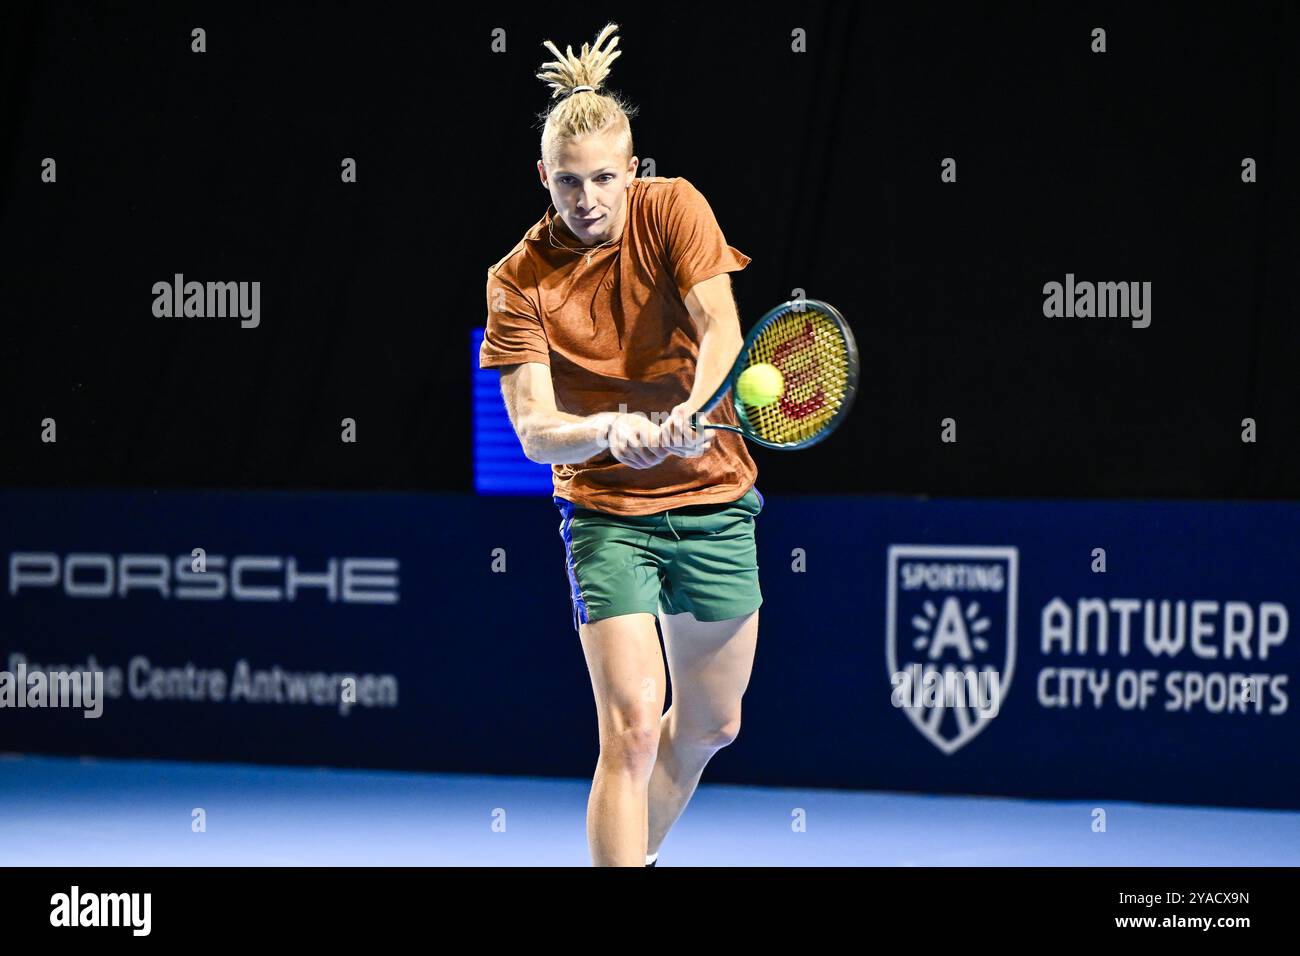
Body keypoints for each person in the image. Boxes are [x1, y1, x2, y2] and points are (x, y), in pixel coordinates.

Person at [479, 22, 766, 867]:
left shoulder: (676, 208)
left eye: (605, 177)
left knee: (712, 723)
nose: (589, 198)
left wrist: (695, 405)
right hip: (606, 510)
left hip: (714, 494)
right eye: (568, 182)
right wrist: (609, 430)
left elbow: (721, 326)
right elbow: (533, 431)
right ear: (544, 178)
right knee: (635, 727)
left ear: (632, 170)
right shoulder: (516, 280)